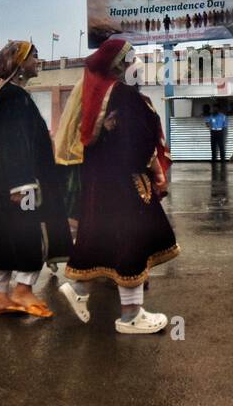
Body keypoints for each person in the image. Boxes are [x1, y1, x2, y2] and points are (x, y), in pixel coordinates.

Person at [56, 38, 177, 333]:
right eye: (132, 59)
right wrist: (155, 172)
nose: (136, 65)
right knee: (132, 241)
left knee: (101, 235)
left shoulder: (94, 94)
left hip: (99, 181)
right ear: (121, 64)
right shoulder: (124, 95)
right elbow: (141, 140)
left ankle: (79, 289)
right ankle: (131, 315)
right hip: (127, 183)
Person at [0, 41, 71, 318]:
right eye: (34, 57)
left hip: (6, 183)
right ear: (18, 64)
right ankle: (23, 291)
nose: (39, 61)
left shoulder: (7, 94)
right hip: (22, 185)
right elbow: (14, 144)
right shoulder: (15, 97)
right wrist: (22, 184)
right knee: (30, 234)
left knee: (5, 236)